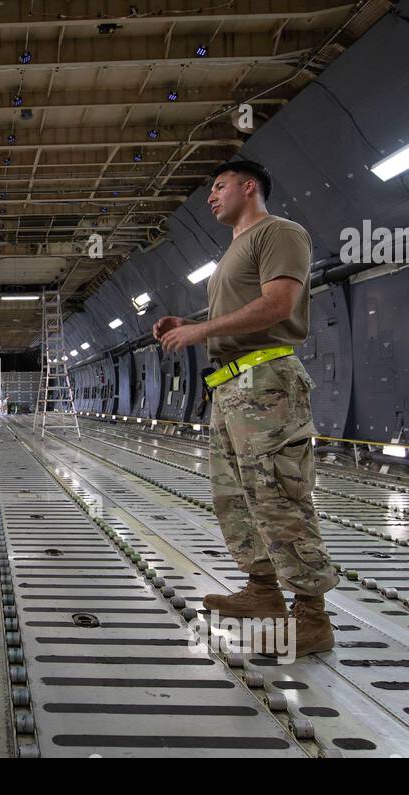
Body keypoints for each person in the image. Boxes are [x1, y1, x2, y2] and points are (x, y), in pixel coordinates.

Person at [154, 159, 336, 657]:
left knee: (279, 493)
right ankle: (263, 592)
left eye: (219, 187)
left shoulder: (279, 233)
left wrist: (200, 331)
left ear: (248, 186)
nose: (211, 197)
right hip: (232, 387)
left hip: (266, 382)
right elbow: (238, 312)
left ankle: (312, 615)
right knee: (236, 496)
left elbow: (278, 305)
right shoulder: (233, 252)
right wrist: (187, 321)